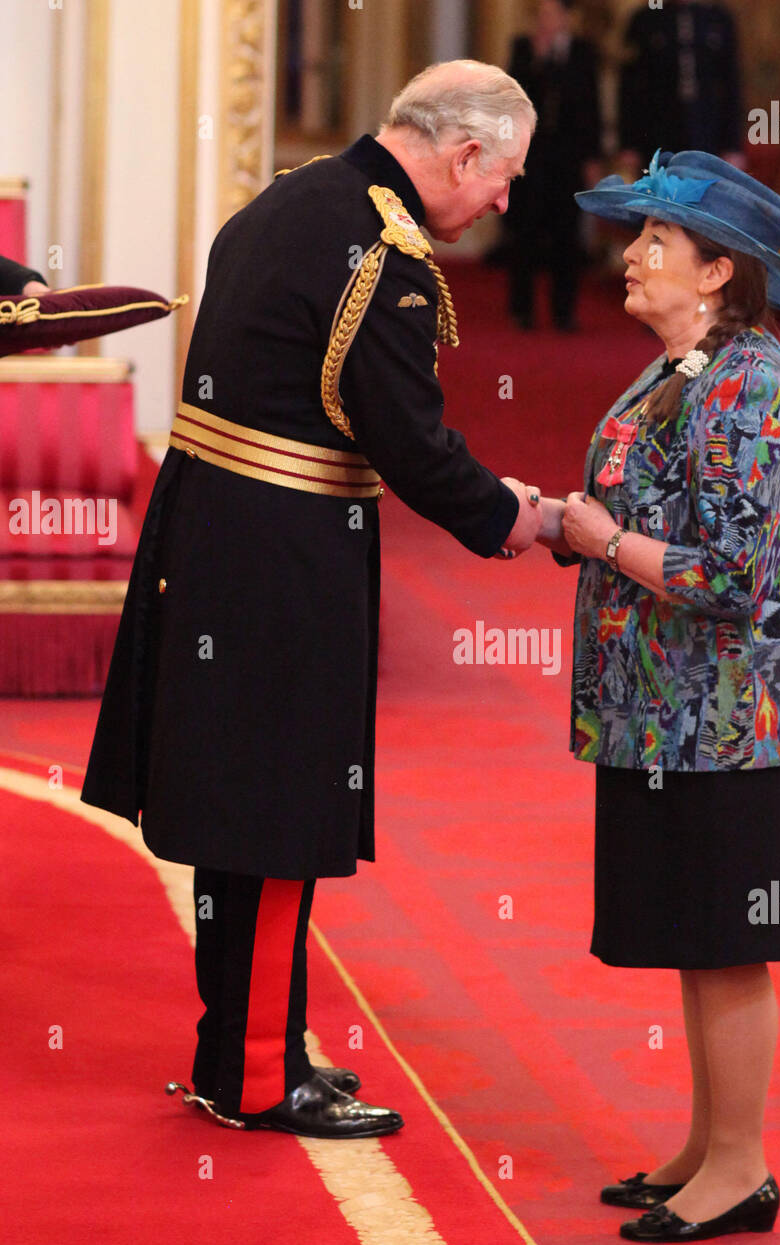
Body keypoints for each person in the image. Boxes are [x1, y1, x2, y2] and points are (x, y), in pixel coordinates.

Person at [81, 60, 545, 1139]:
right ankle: (252, 1074)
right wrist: (509, 514)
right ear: (463, 152)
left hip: (217, 531)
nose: (505, 203)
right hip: (282, 554)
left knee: (234, 803)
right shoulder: (382, 252)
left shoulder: (297, 195)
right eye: (506, 177)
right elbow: (413, 446)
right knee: (277, 811)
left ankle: (252, 1044)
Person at [536, 150, 780, 1241]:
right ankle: (708, 1143)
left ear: (716, 272)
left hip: (725, 719)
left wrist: (607, 540)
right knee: (695, 937)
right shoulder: (678, 367)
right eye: (637, 234)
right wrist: (580, 531)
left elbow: (736, 575)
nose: (632, 256)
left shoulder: (752, 383)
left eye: (656, 240)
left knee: (727, 942)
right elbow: (641, 508)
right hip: (663, 710)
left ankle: (743, 1166)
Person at [505, 0, 602, 330]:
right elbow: (513, 98)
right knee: (525, 231)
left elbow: (590, 105)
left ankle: (564, 311)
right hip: (530, 155)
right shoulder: (523, 48)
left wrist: (592, 157)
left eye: (552, 14)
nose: (546, 20)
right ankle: (522, 309)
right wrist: (539, 60)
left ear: (566, 17)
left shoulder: (583, 52)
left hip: (568, 156)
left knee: (567, 233)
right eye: (541, 14)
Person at [617, 1, 742, 172]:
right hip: (657, 132)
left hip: (707, 131)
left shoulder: (718, 19)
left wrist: (733, 145)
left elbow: (731, 86)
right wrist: (628, 143)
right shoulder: (645, 19)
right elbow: (630, 89)